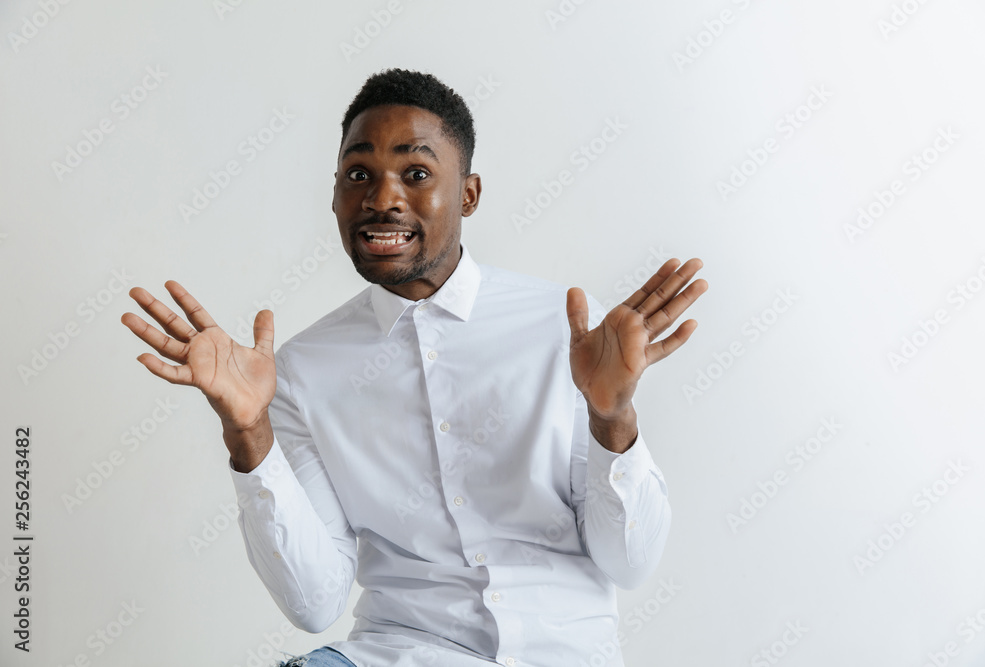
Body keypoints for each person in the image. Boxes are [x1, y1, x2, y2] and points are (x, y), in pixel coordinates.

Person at [121, 68, 708, 667]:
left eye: (417, 173)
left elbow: (629, 563)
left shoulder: (570, 334)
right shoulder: (299, 372)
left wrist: (613, 417)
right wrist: (249, 434)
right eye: (359, 175)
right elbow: (314, 603)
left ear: (469, 194)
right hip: (401, 654)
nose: (382, 198)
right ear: (333, 195)